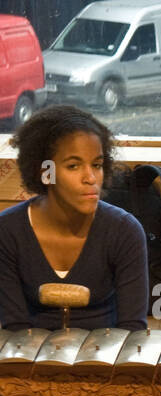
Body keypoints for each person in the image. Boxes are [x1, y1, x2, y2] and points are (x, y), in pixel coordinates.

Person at [0, 104, 147, 330]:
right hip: (29, 359)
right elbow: (15, 327)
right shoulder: (7, 231)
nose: (90, 178)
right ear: (45, 172)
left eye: (97, 165)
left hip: (105, 359)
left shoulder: (125, 230)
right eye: (73, 166)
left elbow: (132, 329)